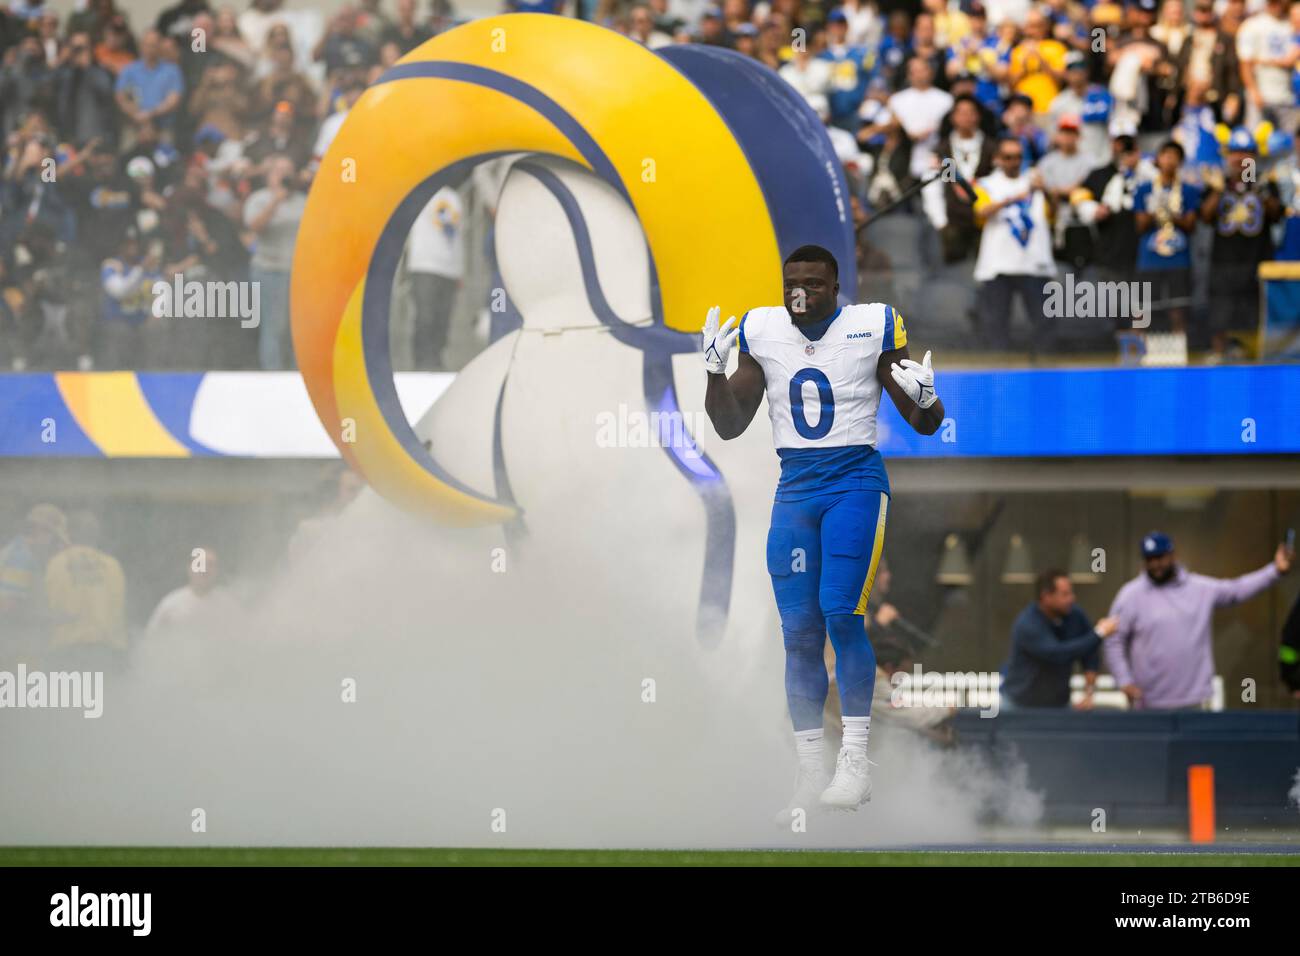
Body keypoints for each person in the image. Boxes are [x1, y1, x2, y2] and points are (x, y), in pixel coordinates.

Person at [700, 244, 946, 816]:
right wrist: (713, 374)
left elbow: (924, 422)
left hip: (855, 481)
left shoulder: (874, 325)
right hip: (795, 488)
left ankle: (855, 765)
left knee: (841, 612)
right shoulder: (762, 329)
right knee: (799, 632)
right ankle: (811, 769)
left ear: (836, 288)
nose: (799, 293)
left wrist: (931, 402)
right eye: (792, 282)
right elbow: (730, 423)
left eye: (812, 283)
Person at [1104, 531, 1295, 710]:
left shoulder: (1199, 588)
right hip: (1147, 702)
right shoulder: (1130, 596)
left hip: (1193, 701)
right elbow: (1113, 640)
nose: (1155, 565)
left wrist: (1275, 571)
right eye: (1150, 559)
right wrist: (1124, 680)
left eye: (1160, 558)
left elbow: (1237, 590)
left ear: (1172, 555)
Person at [972, 136, 1057, 351]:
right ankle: (998, 370)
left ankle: (1044, 370)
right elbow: (981, 211)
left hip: (1034, 262)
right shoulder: (986, 184)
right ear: (998, 159)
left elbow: (1053, 213)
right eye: (1008, 157)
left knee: (1044, 323)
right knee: (996, 325)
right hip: (998, 264)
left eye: (1019, 157)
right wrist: (1014, 198)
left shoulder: (1036, 181)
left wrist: (1045, 190)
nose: (1014, 162)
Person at [1001, 569, 1119, 709]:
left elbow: (1090, 653)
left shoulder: (1075, 615)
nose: (1072, 598)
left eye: (1071, 592)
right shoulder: (1028, 623)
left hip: (1058, 705)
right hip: (1020, 705)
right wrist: (1099, 633)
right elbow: (1057, 654)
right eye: (1065, 594)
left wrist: (1089, 693)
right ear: (1046, 596)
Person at [43, 510, 127, 669]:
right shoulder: (113, 565)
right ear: (96, 535)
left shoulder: (57, 563)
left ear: (68, 534)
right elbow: (119, 608)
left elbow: (50, 605)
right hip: (107, 652)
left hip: (67, 651)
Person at [1133, 139, 1200, 335]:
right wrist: (1155, 212)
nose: (1169, 160)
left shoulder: (1188, 190)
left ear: (1180, 161)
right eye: (1165, 155)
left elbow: (1191, 225)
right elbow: (1140, 225)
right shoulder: (1145, 189)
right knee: (1142, 306)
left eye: (1174, 156)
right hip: (1149, 258)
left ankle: (1179, 350)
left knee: (1178, 306)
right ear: (1157, 160)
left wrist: (1169, 212)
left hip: (1178, 258)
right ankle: (1137, 350)